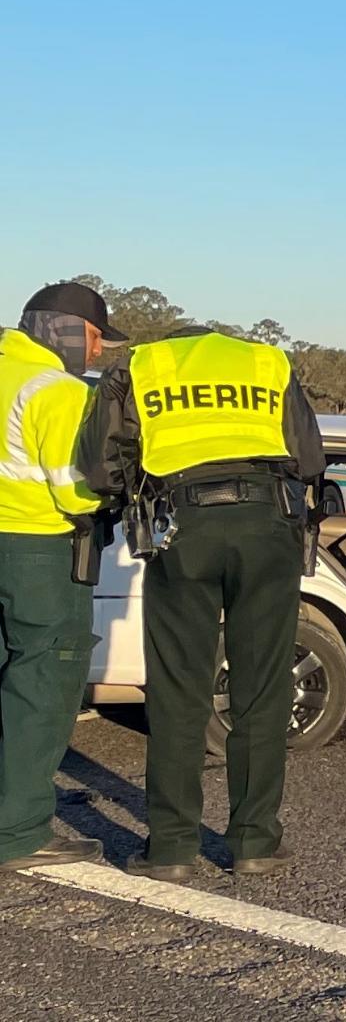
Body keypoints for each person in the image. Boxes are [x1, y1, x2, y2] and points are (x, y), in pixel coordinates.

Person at [79, 321, 323, 880]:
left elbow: (100, 465)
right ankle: (255, 842)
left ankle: (170, 848)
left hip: (180, 525)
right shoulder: (268, 363)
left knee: (177, 689)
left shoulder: (139, 365)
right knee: (262, 687)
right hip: (269, 525)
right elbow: (308, 459)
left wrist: (128, 496)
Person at [0, 284, 122, 872]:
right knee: (43, 684)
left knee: (8, 679)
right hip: (37, 549)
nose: (97, 353)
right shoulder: (54, 389)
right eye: (97, 337)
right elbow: (74, 489)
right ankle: (18, 831)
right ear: (67, 329)